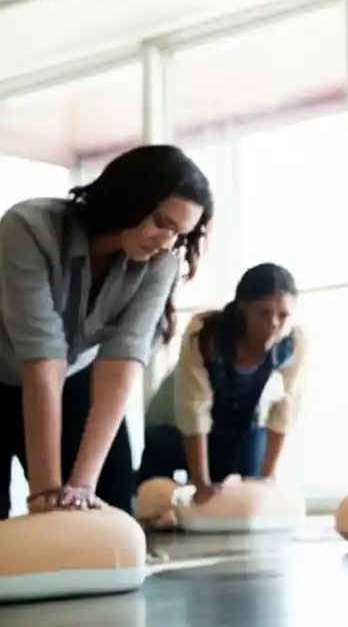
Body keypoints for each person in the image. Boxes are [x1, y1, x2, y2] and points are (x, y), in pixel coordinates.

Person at [0, 144, 212, 517]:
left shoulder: (160, 263)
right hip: (19, 369)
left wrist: (81, 487)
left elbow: (121, 364)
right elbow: (41, 358)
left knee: (111, 498)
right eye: (161, 222)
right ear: (130, 197)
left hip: (72, 377)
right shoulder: (29, 227)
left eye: (179, 234)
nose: (166, 242)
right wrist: (46, 491)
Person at [137, 263, 307, 504]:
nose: (273, 324)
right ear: (243, 308)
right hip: (172, 426)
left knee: (247, 494)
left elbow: (285, 410)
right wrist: (201, 483)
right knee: (151, 498)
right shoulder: (205, 334)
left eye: (283, 315)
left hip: (237, 429)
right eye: (263, 312)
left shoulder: (293, 344)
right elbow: (193, 408)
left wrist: (267, 477)